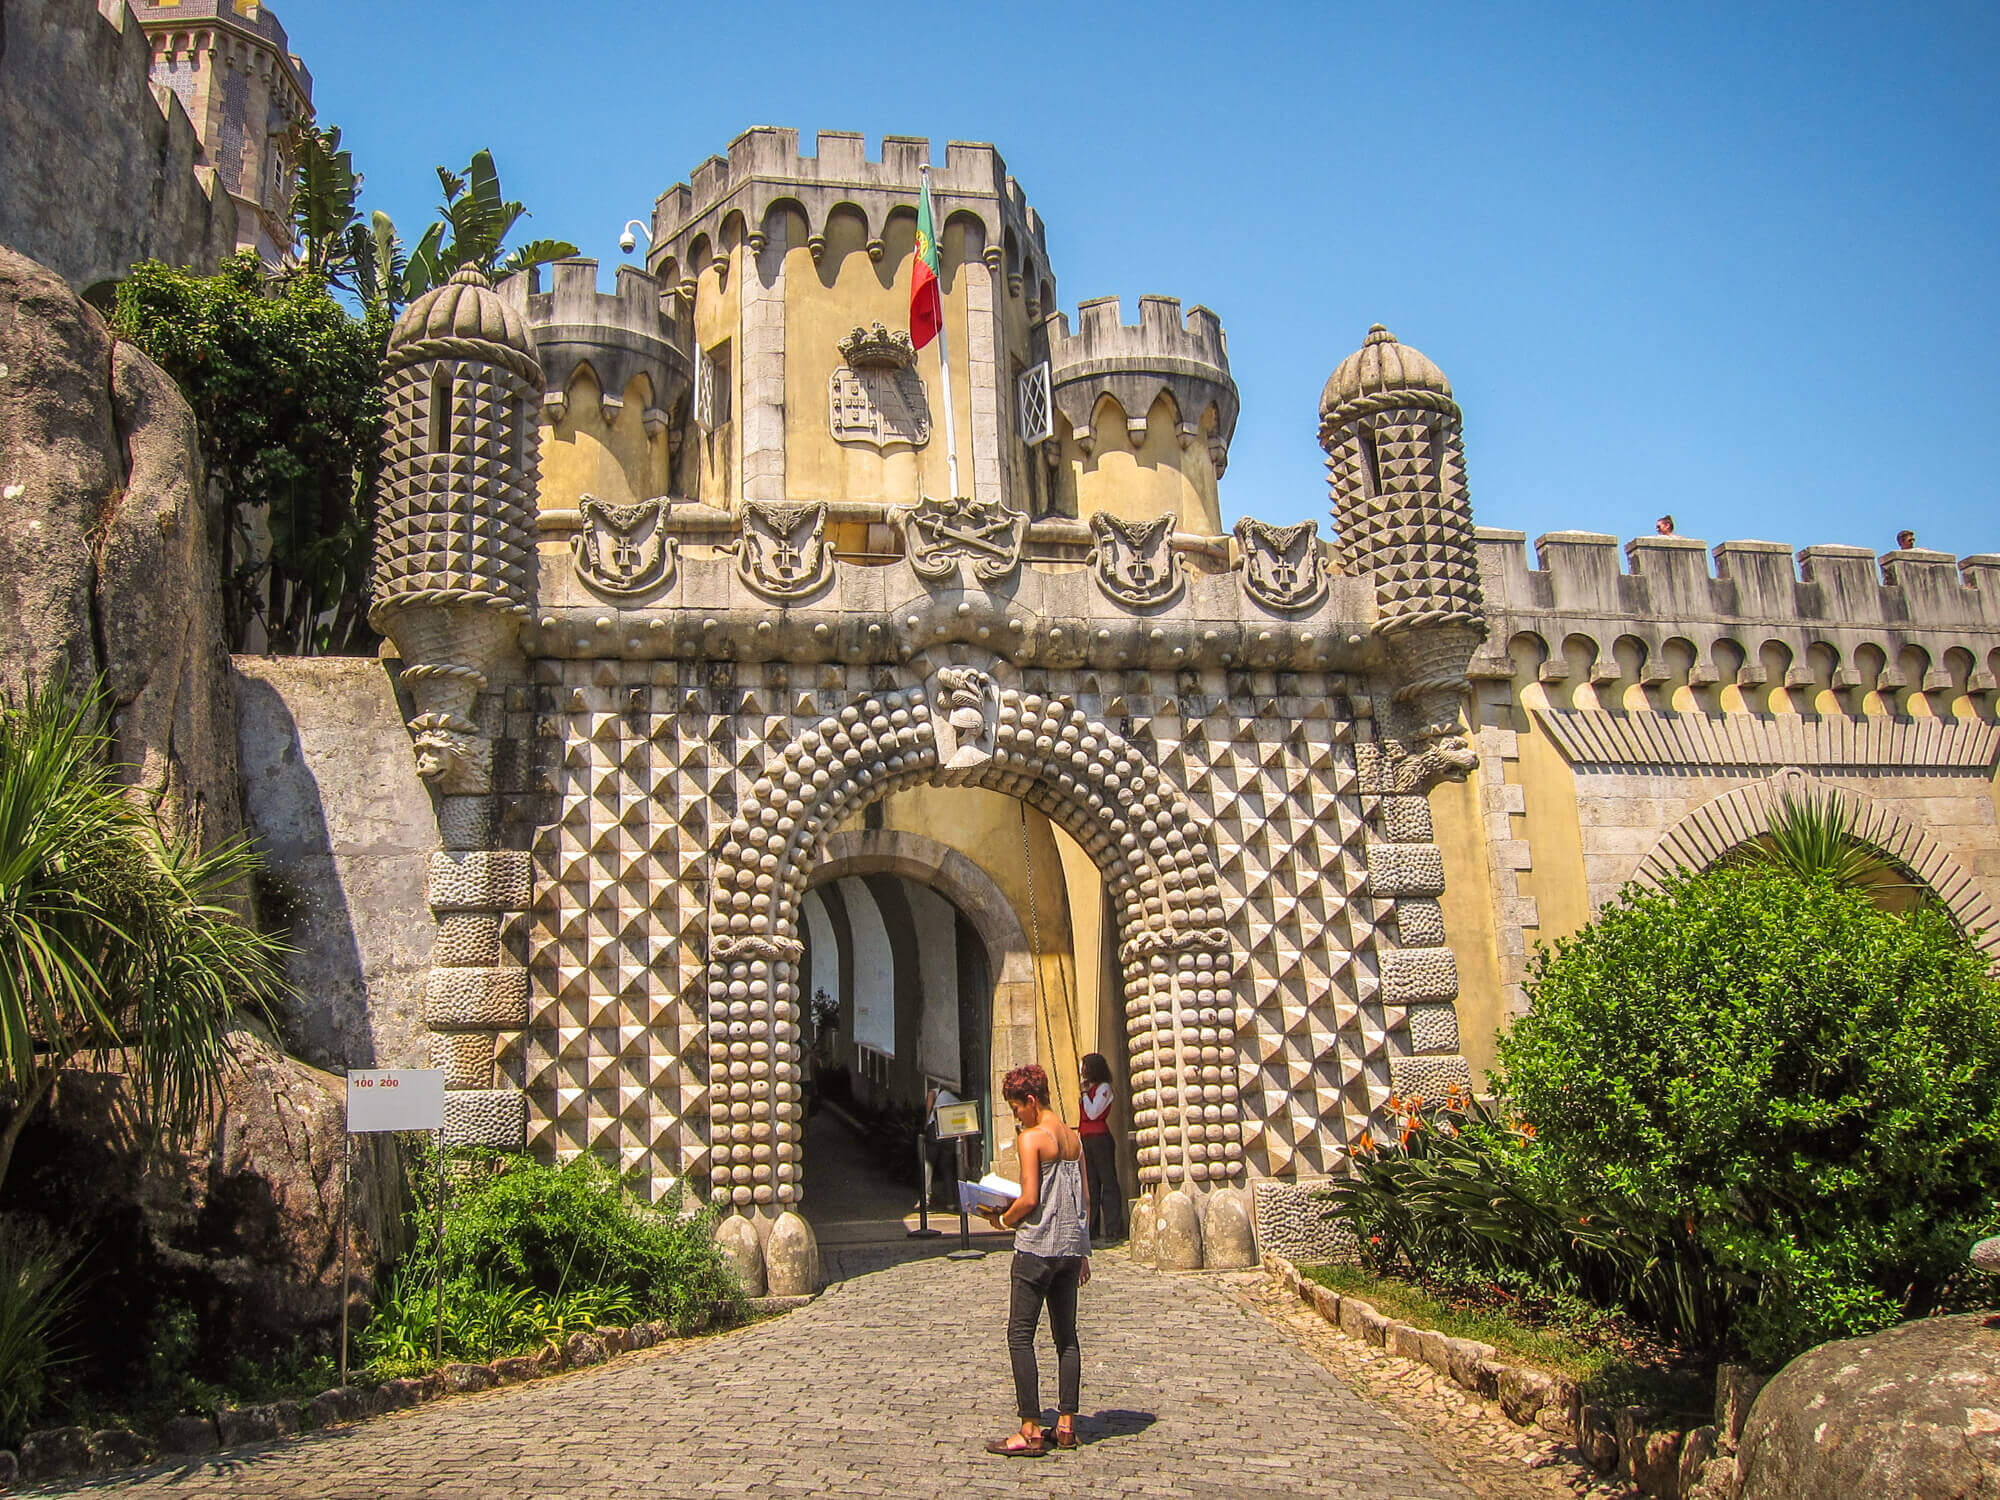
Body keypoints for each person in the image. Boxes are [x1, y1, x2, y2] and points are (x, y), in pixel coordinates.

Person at [977, 1063, 1090, 1457]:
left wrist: (1002, 1219)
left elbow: (1029, 1199)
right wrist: (1084, 1253)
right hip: (1069, 1251)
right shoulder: (1074, 1138)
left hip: (1037, 1248)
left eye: (1015, 1109)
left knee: (1020, 1336)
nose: (1015, 1118)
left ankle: (1029, 1429)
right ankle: (1067, 1425)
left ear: (1030, 1100)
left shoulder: (1033, 1138)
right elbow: (1083, 1200)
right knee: (1066, 1338)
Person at [1076, 1053, 1124, 1241]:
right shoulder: (1091, 1089)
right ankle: (1092, 1228)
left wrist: (1085, 1095)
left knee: (1108, 1182)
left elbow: (1093, 1112)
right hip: (1088, 1138)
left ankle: (1113, 1227)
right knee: (1092, 1185)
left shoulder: (1103, 1089)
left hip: (1100, 1138)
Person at [922, 1082, 961, 1212]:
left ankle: (925, 1199)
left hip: (936, 1127)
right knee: (947, 1167)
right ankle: (950, 1202)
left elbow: (930, 1097)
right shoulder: (958, 1101)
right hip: (950, 1131)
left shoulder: (936, 1091)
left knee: (929, 1163)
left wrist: (927, 1121)